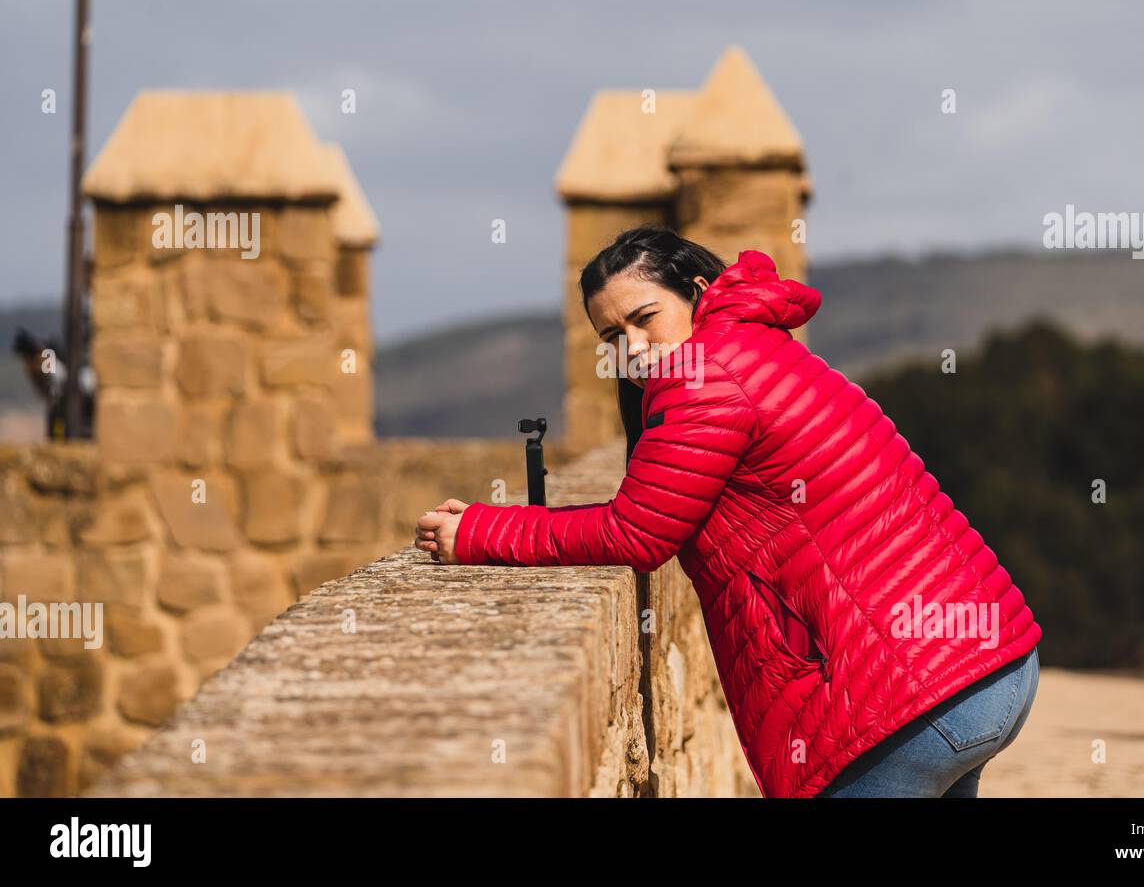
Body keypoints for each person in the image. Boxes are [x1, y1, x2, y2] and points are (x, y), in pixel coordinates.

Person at [416, 225, 1042, 798]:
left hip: (906, 700)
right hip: (988, 666)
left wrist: (477, 530)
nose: (632, 348)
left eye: (644, 318)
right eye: (612, 336)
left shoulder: (704, 379)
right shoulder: (753, 347)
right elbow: (657, 503)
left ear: (696, 290)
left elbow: (636, 534)